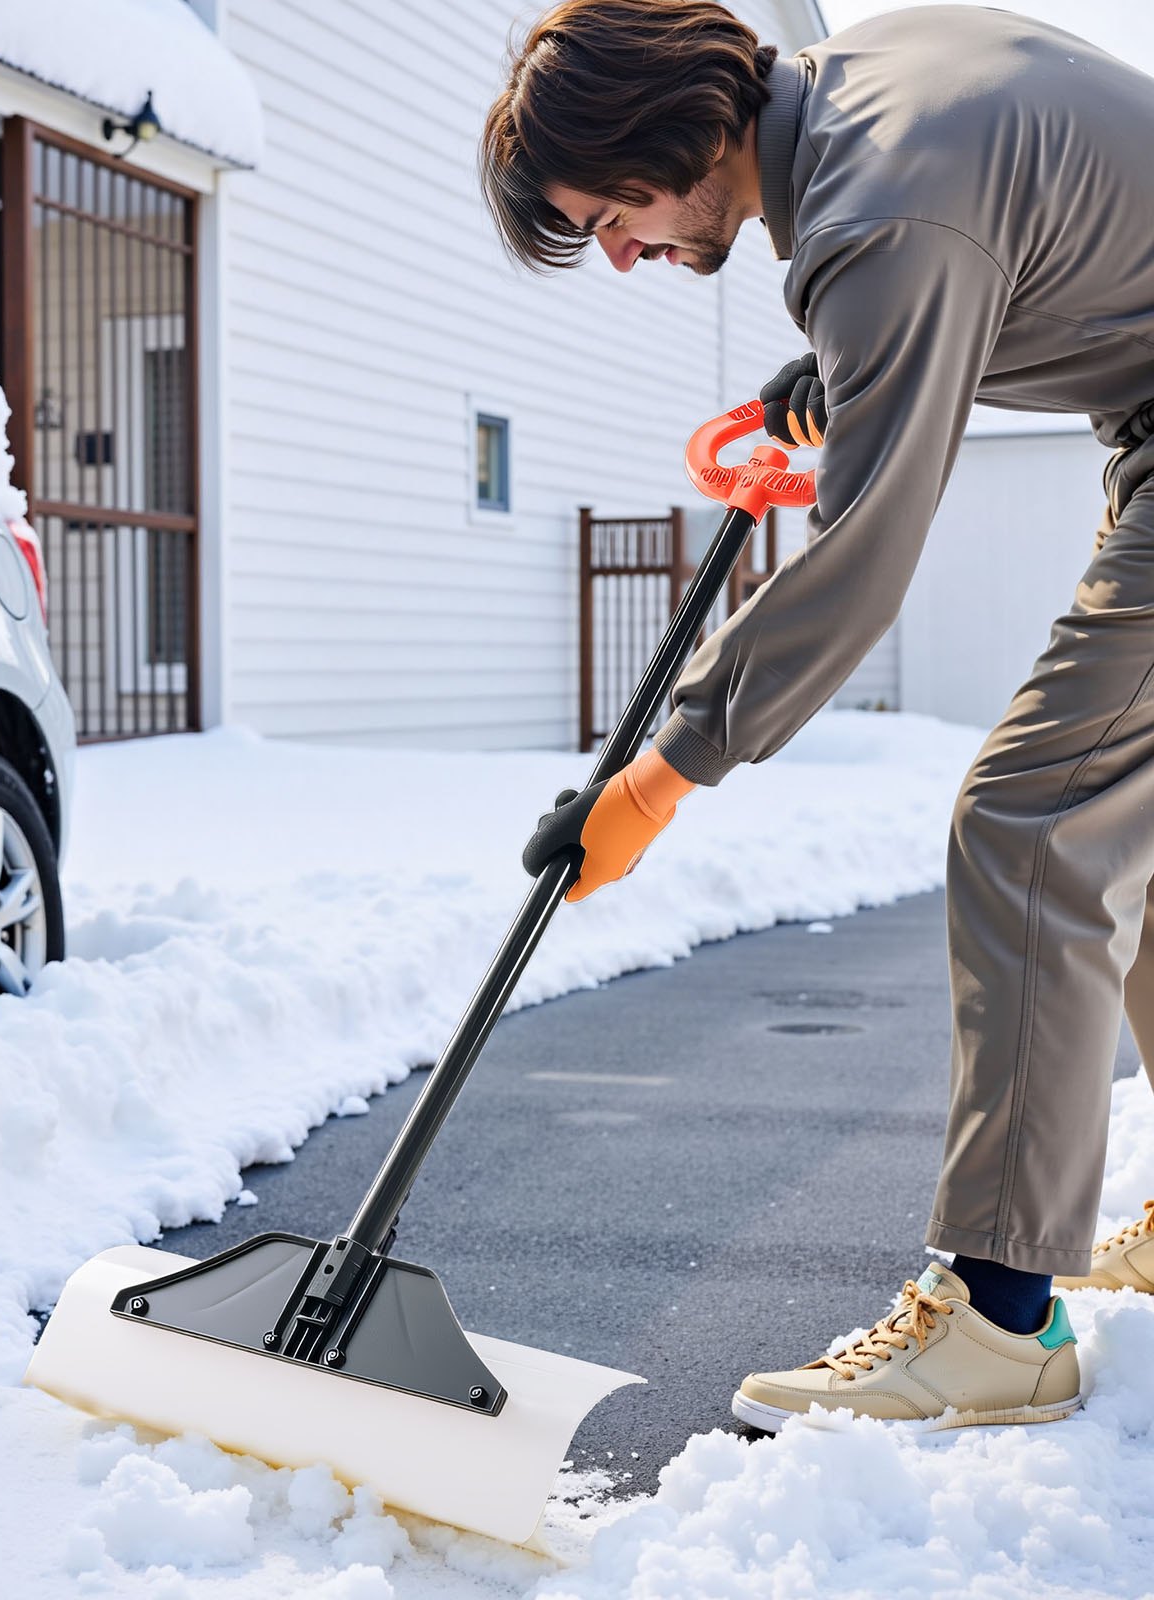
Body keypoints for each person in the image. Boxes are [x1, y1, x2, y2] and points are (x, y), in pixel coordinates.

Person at [483, 0, 1154, 1433]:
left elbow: (861, 561)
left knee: (1033, 818)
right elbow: (987, 258)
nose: (617, 251)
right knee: (1111, 813)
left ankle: (997, 1320)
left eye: (611, 211)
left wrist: (658, 778)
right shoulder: (862, 96)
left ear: (677, 132)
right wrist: (839, 379)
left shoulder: (880, 213)